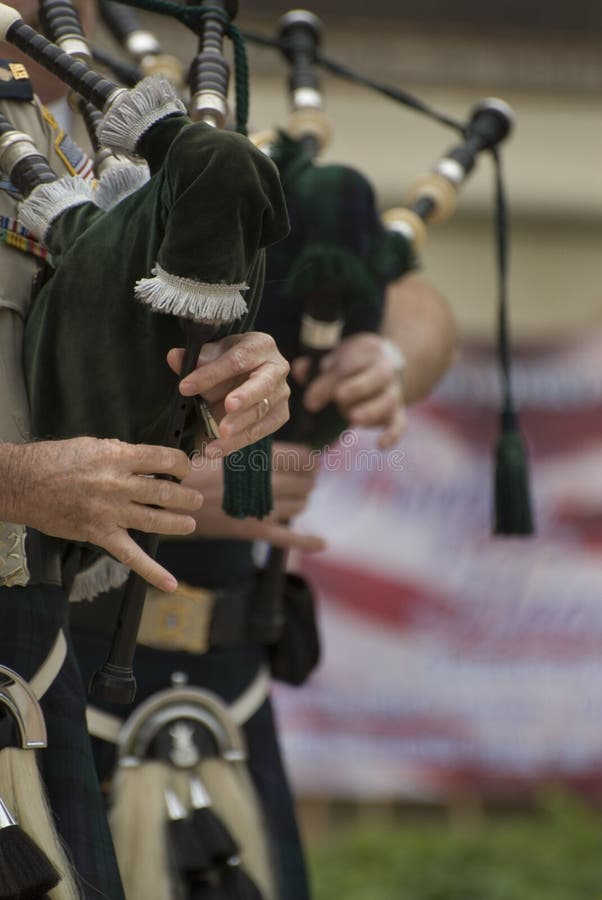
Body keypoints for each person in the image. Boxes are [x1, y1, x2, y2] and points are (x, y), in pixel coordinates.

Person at [0, 25, 292, 900]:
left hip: (30, 649)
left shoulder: (71, 123)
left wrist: (229, 372)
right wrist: (15, 481)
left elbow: (78, 356)